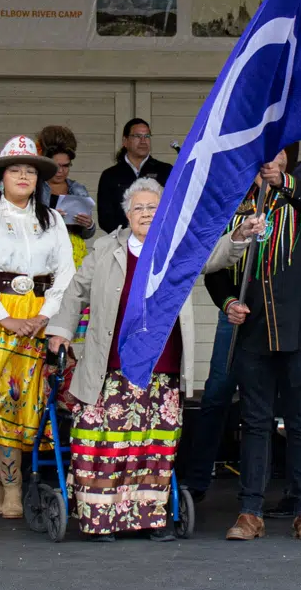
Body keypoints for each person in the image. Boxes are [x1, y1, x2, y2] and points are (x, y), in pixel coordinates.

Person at [51, 179, 256, 541]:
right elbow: (75, 292)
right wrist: (60, 331)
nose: (146, 214)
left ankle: (148, 520)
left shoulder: (177, 247)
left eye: (153, 208)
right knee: (103, 443)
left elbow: (215, 256)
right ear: (127, 214)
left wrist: (239, 234)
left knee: (153, 444)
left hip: (160, 365)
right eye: (139, 208)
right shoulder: (105, 248)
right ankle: (102, 521)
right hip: (110, 364)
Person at [206, 145, 301, 541]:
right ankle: (250, 512)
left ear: (288, 155)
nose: (268, 159)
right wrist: (228, 303)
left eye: (277, 150)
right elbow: (216, 268)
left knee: (300, 421)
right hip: (253, 329)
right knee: (255, 422)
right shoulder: (236, 202)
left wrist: (282, 181)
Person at [0, 136, 76, 520]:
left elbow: (66, 272)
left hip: (38, 314)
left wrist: (47, 314)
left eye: (30, 171)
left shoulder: (52, 219)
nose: (23, 176)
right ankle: (9, 486)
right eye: (15, 169)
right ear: (1, 177)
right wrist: (3, 316)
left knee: (23, 400)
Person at [96, 119, 172, 233]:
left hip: (157, 237)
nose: (143, 141)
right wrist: (128, 234)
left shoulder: (165, 171)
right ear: (125, 141)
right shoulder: (110, 175)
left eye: (147, 136)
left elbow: (172, 209)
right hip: (121, 239)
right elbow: (105, 218)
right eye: (137, 136)